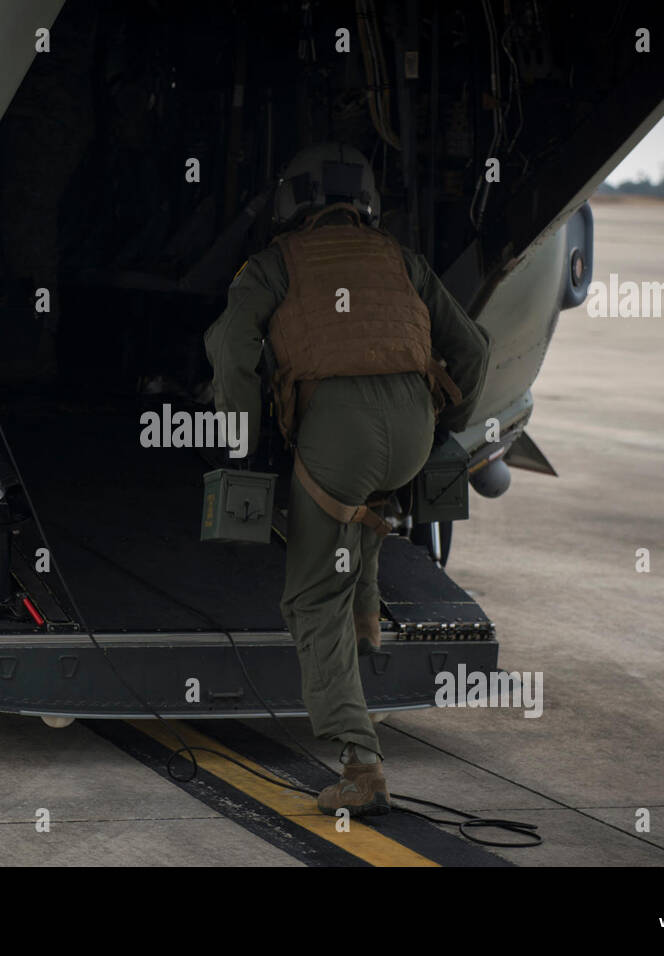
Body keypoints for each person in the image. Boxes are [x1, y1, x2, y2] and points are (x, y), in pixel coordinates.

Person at [203, 143, 491, 816]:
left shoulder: (273, 264)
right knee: (363, 513)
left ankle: (361, 764)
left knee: (311, 597)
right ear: (366, 200)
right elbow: (473, 349)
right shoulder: (402, 260)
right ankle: (366, 631)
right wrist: (447, 428)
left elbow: (230, 346)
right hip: (412, 433)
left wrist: (240, 440)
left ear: (291, 200)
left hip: (340, 437)